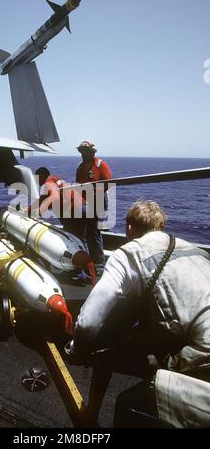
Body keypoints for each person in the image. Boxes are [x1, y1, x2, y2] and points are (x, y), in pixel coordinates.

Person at [68, 200, 210, 427]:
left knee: (129, 404)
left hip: (201, 358)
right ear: (160, 227)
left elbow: (87, 323)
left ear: (129, 228)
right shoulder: (195, 250)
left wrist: (77, 348)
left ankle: (90, 420)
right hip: (195, 337)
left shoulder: (127, 254)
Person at [76, 141, 112, 276]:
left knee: (93, 232)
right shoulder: (80, 167)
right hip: (84, 202)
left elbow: (107, 184)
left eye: (85, 151)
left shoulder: (100, 165)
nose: (83, 154)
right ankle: (85, 261)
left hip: (97, 201)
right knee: (81, 231)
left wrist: (93, 193)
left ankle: (99, 264)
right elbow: (78, 184)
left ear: (92, 152)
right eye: (81, 151)